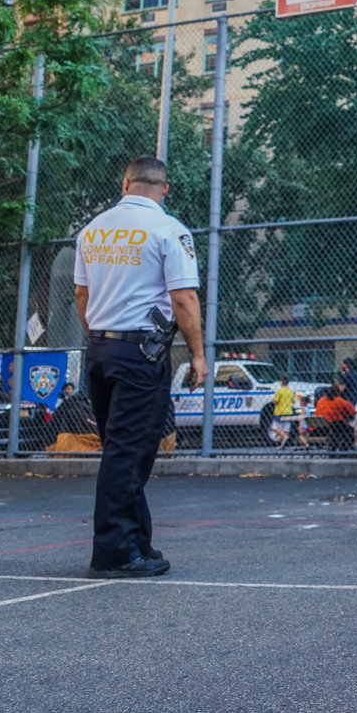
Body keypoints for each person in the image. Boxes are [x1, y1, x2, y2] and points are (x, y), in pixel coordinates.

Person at [74, 155, 205, 579]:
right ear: (164, 190)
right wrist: (198, 354)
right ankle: (114, 550)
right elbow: (183, 299)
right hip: (140, 356)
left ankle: (136, 540)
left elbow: (81, 295)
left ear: (126, 183)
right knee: (130, 452)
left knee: (120, 447)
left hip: (100, 348)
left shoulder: (92, 230)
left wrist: (99, 336)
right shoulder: (170, 230)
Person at [313, 383, 357, 451]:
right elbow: (353, 412)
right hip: (335, 426)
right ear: (338, 392)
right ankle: (345, 447)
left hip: (319, 427)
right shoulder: (340, 401)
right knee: (349, 430)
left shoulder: (321, 401)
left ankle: (333, 447)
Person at [269, 376, 297, 448]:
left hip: (280, 411)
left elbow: (275, 401)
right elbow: (293, 401)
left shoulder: (279, 391)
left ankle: (284, 437)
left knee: (274, 427)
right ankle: (282, 445)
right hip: (289, 412)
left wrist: (273, 400)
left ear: (281, 382)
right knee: (286, 429)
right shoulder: (291, 391)